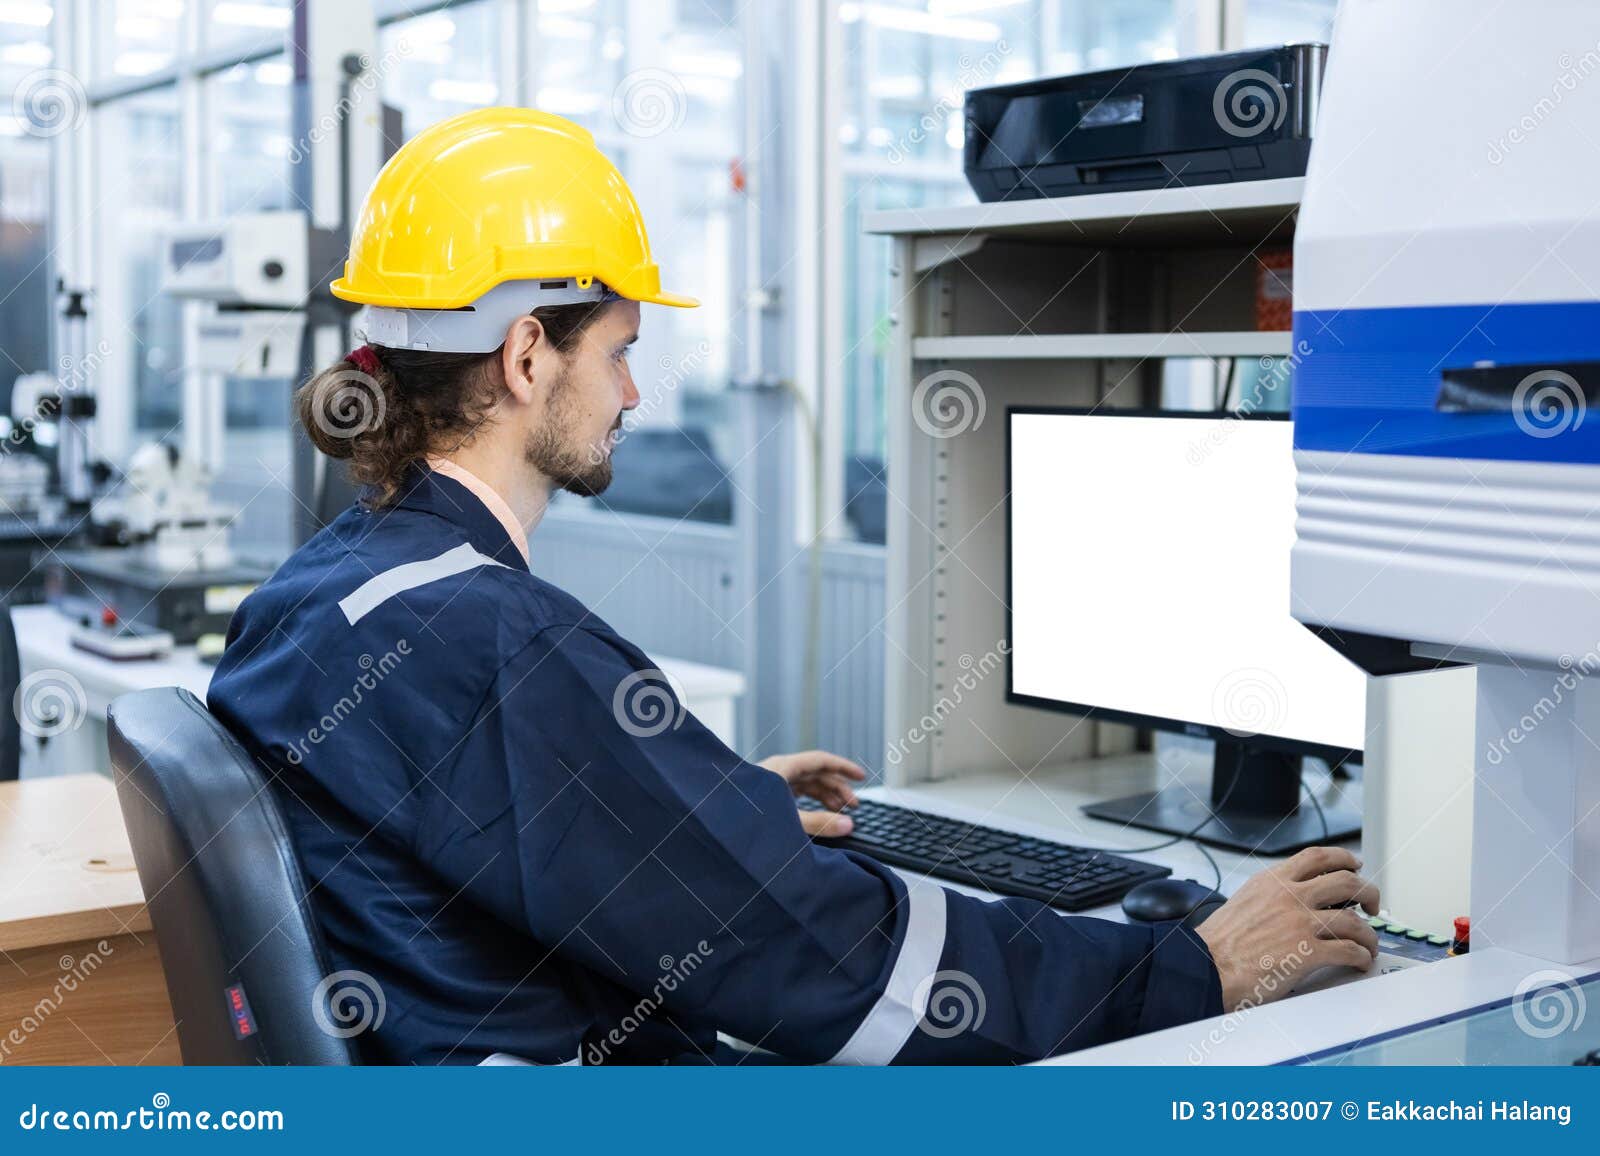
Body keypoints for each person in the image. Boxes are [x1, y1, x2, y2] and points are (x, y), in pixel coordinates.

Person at [207, 107, 1380, 1066]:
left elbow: (467, 819)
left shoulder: (332, 587)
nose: (632, 396)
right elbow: (832, 961)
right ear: (525, 357)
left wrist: (692, 804)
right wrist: (1193, 968)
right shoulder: (487, 636)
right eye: (618, 351)